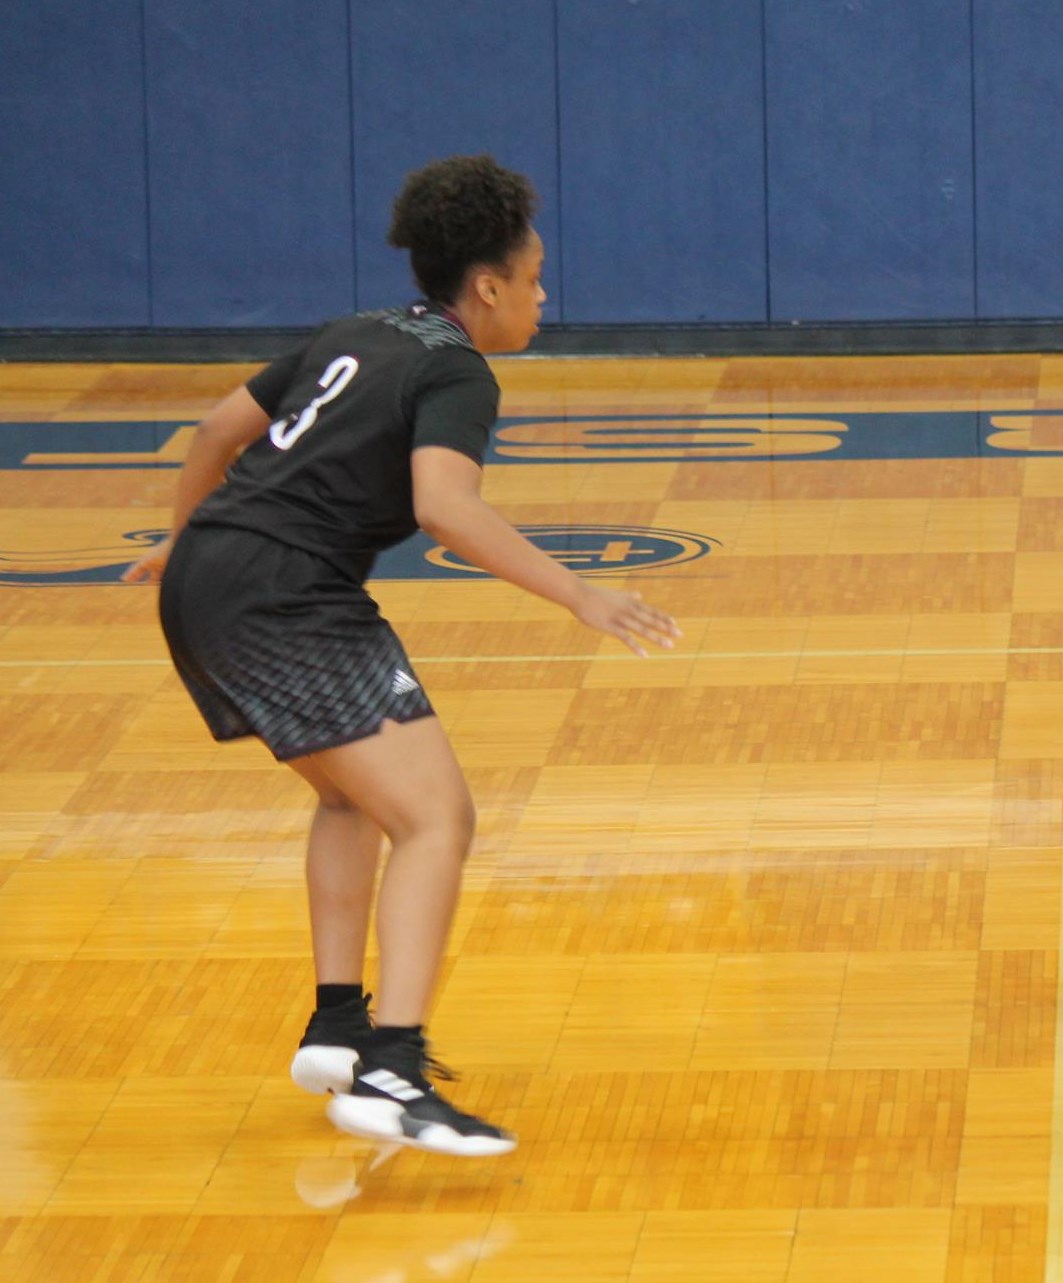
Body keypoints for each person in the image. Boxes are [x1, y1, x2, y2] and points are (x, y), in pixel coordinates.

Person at [123, 155, 680, 1153]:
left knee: (355, 795)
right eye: (538, 276)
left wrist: (184, 540)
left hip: (209, 582)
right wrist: (580, 592)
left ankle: (338, 1021)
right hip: (288, 595)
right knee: (436, 817)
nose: (545, 297)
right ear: (488, 286)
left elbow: (213, 432)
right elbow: (444, 509)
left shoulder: (356, 331)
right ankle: (392, 1066)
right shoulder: (456, 366)